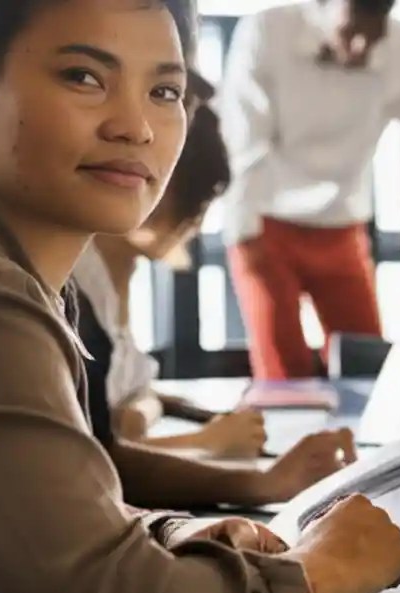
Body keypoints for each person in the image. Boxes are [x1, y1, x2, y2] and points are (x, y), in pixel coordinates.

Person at [0, 2, 400, 593]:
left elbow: (19, 527)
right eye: (84, 76)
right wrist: (322, 568)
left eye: (165, 91)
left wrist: (177, 532)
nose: (136, 127)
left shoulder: (9, 276)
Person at [218, 0, 400, 380]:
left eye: (374, 33)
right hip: (265, 224)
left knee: (366, 372)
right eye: (351, 32)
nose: (361, 48)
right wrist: (243, 235)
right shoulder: (266, 31)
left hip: (343, 225)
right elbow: (245, 149)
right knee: (285, 378)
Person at [75, 73, 269, 460]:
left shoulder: (115, 269)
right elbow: (93, 454)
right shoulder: (79, 277)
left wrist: (141, 411)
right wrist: (206, 443)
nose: (193, 228)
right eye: (194, 209)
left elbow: (135, 392)